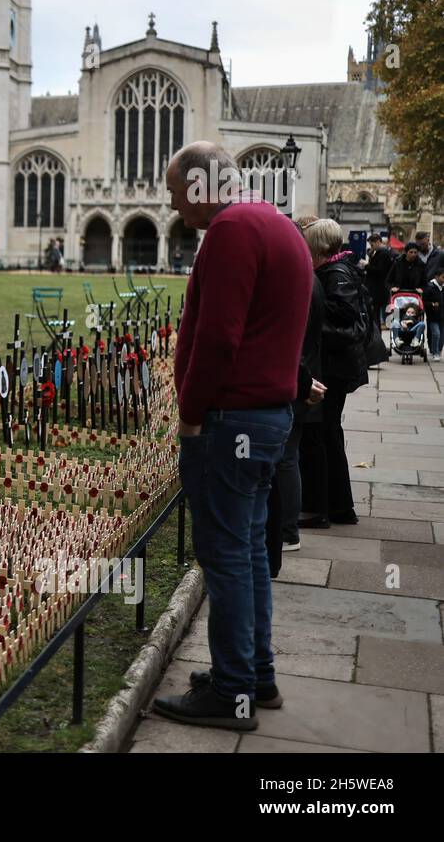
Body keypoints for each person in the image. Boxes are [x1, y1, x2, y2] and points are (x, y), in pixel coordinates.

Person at [152, 142, 310, 732]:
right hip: (267, 417)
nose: (172, 203)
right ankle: (254, 674)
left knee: (224, 556)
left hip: (231, 422)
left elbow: (219, 337)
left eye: (174, 191)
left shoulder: (232, 230)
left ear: (199, 185)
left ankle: (232, 691)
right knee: (245, 553)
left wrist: (191, 412)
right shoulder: (273, 221)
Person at [299, 219, 370, 529]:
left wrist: (311, 326)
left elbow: (347, 322)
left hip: (332, 369)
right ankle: (339, 507)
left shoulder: (335, 274)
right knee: (328, 434)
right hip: (335, 367)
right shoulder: (333, 272)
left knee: (320, 436)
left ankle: (319, 509)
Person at [267, 226, 327, 566]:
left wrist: (301, 384)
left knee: (287, 459)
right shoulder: (309, 277)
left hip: (298, 382)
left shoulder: (301, 282)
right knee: (289, 457)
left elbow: (295, 342)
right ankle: (287, 530)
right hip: (303, 380)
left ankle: (287, 532)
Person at [364, 233, 393, 324]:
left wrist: (366, 265)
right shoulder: (378, 253)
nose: (371, 247)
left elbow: (380, 271)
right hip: (377, 287)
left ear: (377, 242)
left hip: (379, 288)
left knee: (376, 313)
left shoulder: (383, 253)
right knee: (375, 313)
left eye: (372, 244)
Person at [425, 267, 444, 362]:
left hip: (442, 316)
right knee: (436, 333)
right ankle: (435, 352)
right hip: (433, 316)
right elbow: (425, 302)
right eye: (442, 277)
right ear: (436, 277)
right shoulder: (430, 288)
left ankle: (438, 350)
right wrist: (432, 304)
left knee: (441, 336)